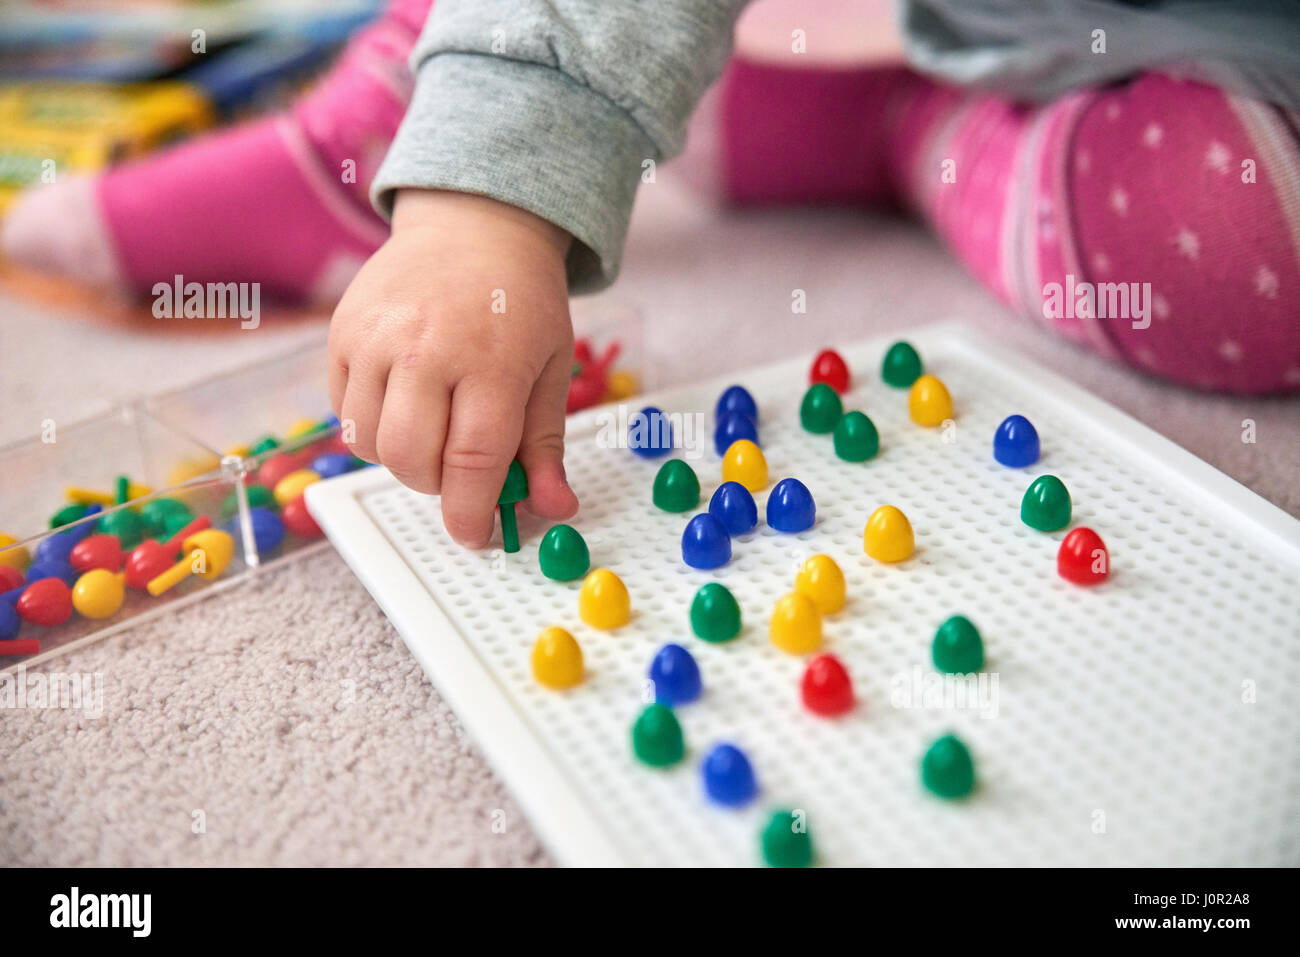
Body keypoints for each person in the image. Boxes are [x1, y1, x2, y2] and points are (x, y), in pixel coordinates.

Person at [5, 0, 1298, 548]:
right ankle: (391, 147)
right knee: (521, 54)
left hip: (1167, 60)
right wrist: (483, 205)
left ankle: (901, 126)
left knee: (1252, 247)